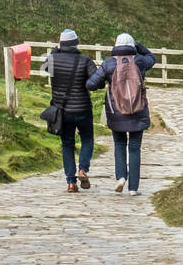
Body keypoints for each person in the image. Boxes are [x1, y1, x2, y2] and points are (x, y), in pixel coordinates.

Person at [86, 32, 156, 194]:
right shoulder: (140, 61)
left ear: (116, 45)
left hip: (115, 112)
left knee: (119, 145)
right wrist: (140, 47)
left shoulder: (109, 63)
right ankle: (133, 188)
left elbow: (91, 84)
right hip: (138, 110)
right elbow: (153, 58)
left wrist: (104, 84)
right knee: (134, 148)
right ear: (132, 46)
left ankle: (121, 178)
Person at [48, 28, 99, 193]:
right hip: (83, 108)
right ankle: (83, 169)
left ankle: (71, 182)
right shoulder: (85, 61)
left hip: (62, 111)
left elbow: (45, 68)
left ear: (61, 44)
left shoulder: (52, 60)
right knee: (87, 139)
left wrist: (56, 49)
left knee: (67, 144)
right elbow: (97, 81)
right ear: (76, 43)